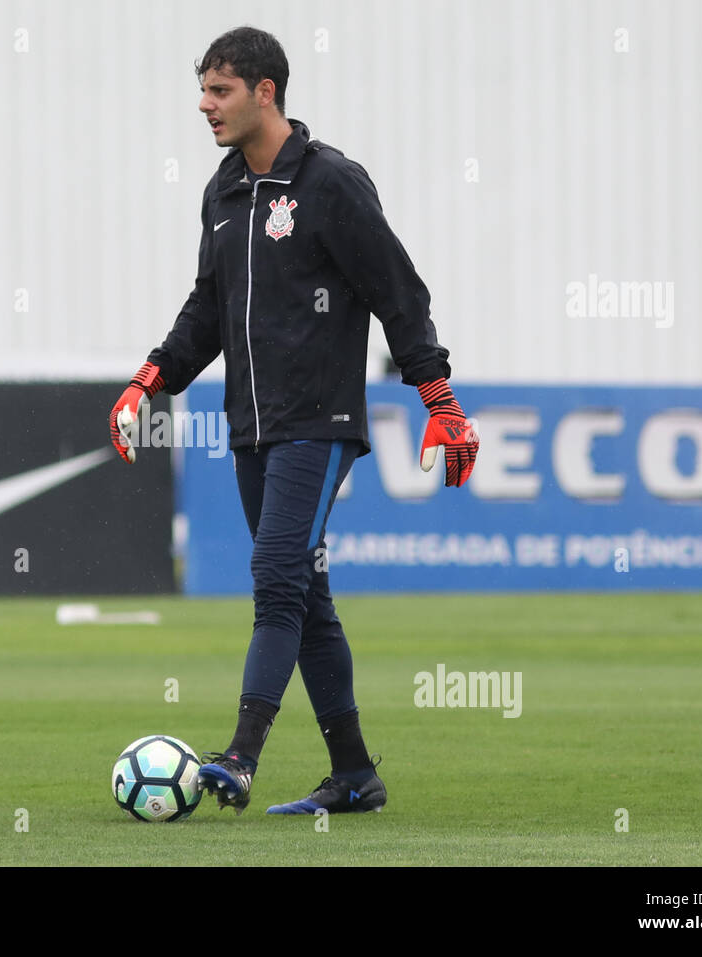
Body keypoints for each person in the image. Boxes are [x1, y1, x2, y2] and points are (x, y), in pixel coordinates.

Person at [108, 26, 479, 816]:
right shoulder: (223, 191)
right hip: (250, 425)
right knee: (306, 598)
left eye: (219, 91)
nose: (203, 105)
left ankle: (240, 756)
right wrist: (151, 377)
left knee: (275, 577)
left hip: (320, 419)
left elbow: (398, 291)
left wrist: (437, 398)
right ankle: (352, 775)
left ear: (265, 92)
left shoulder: (331, 183)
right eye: (202, 90)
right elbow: (207, 309)